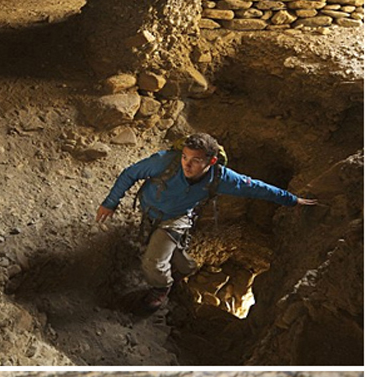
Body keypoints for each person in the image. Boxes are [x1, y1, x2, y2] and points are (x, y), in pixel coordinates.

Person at [95, 131, 319, 313]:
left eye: (195, 161)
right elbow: (129, 174)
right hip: (150, 210)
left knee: (153, 263)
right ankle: (186, 268)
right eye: (185, 157)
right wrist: (110, 202)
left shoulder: (221, 178)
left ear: (211, 161)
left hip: (176, 220)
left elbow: (257, 188)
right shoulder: (165, 162)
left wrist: (291, 200)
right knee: (172, 254)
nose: (187, 165)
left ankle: (161, 290)